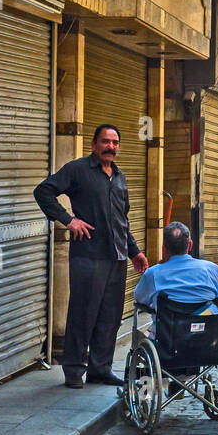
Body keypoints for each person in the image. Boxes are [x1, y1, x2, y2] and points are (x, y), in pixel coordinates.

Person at [34, 124, 148, 388]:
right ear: (94, 144)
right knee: (83, 314)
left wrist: (135, 251)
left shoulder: (119, 177)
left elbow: (122, 220)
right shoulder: (78, 170)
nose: (111, 147)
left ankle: (100, 369)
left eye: (115, 142)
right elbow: (43, 191)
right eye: (106, 142)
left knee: (110, 316)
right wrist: (68, 220)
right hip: (88, 257)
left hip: (117, 258)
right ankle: (74, 371)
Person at [133, 221, 218, 315]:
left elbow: (140, 299)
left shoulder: (153, 273)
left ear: (164, 249)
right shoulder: (212, 269)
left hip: (168, 332)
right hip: (208, 331)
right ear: (190, 245)